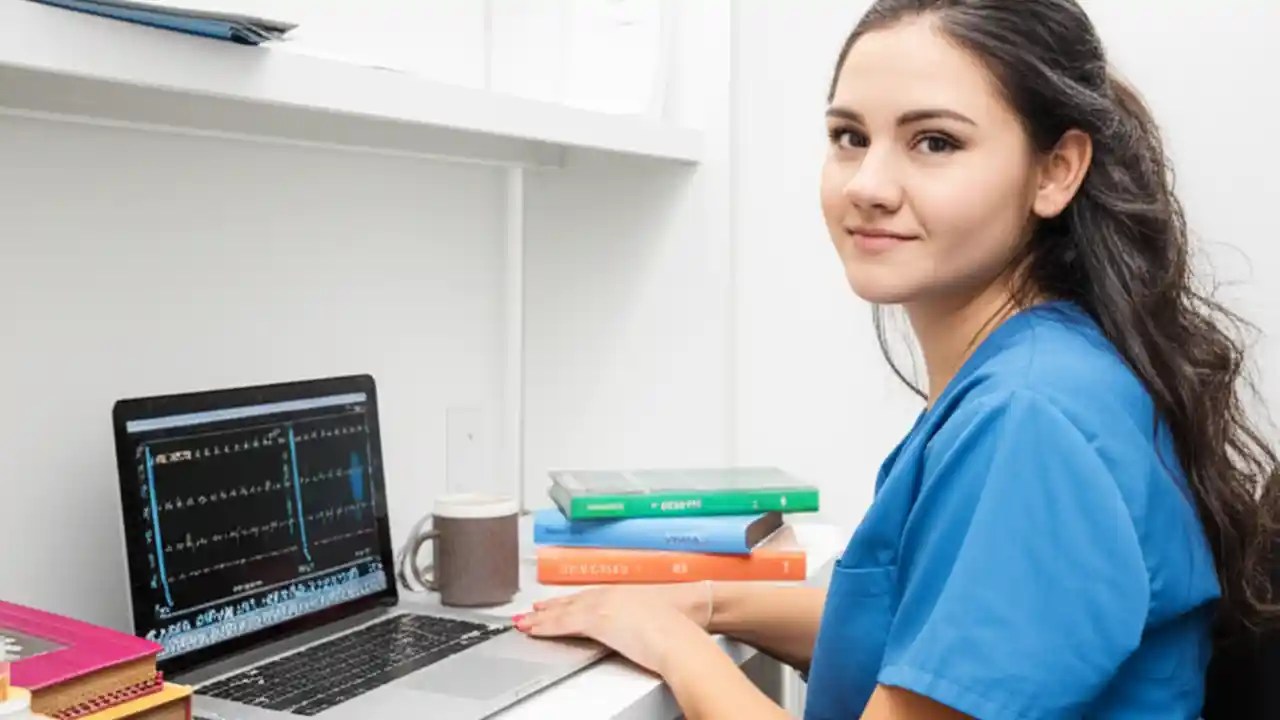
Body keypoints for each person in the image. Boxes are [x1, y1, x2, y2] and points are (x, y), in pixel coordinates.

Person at [513, 1, 1280, 717]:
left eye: (934, 142)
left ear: (1055, 172)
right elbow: (927, 625)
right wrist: (710, 604)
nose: (868, 185)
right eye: (849, 136)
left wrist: (671, 646)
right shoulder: (1051, 365)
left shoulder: (1031, 420)